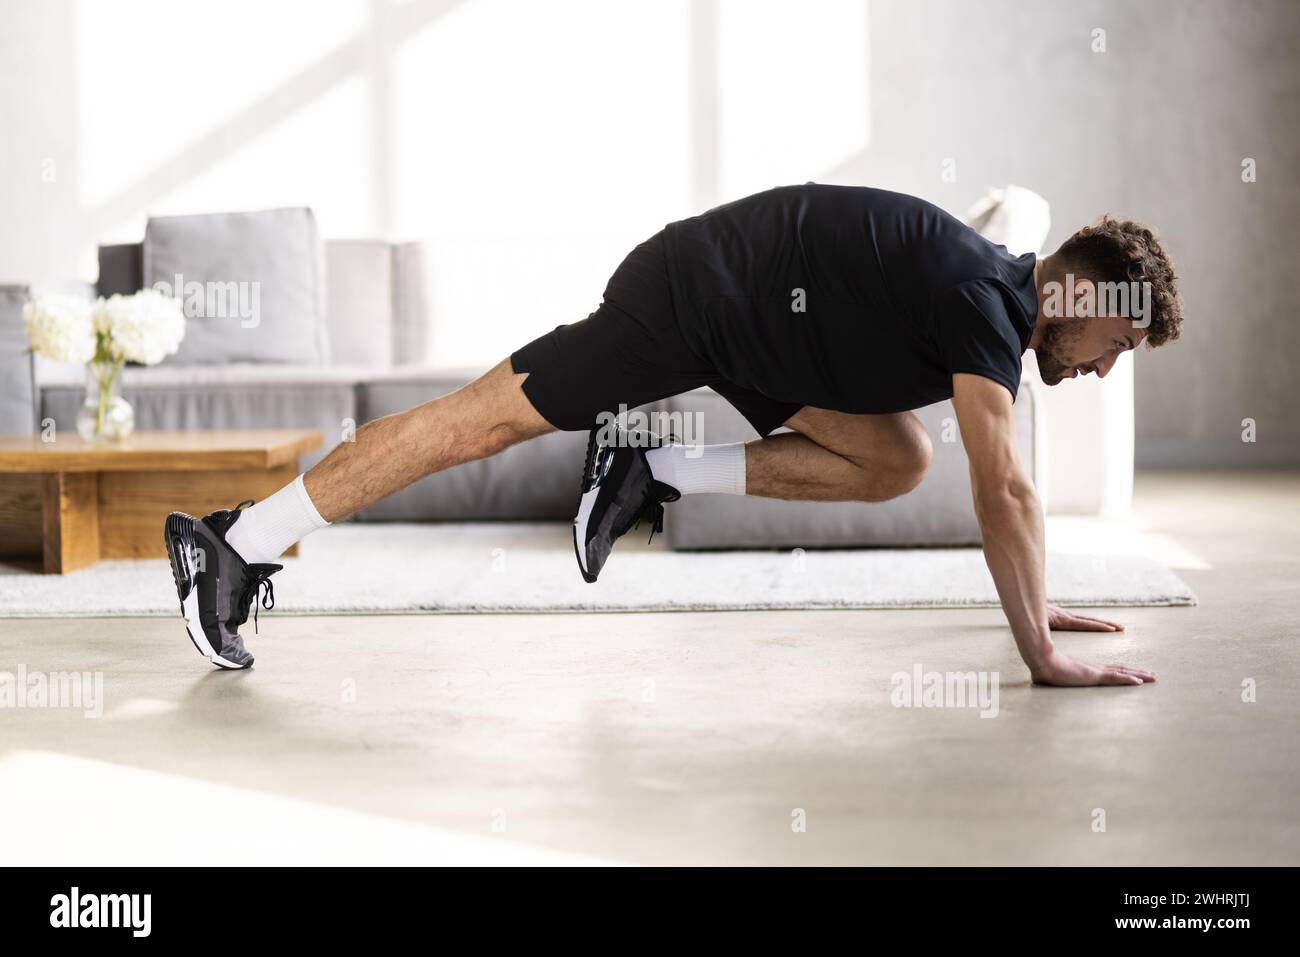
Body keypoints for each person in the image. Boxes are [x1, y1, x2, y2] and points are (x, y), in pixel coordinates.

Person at [164, 184, 1182, 685]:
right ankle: (236, 544)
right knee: (477, 427)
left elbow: (993, 484)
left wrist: (1040, 609)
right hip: (697, 299)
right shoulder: (986, 304)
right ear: (1081, 289)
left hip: (763, 335)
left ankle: (647, 463)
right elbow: (1004, 491)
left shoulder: (989, 296)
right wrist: (1039, 651)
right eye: (1116, 338)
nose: (1102, 364)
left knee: (894, 458)